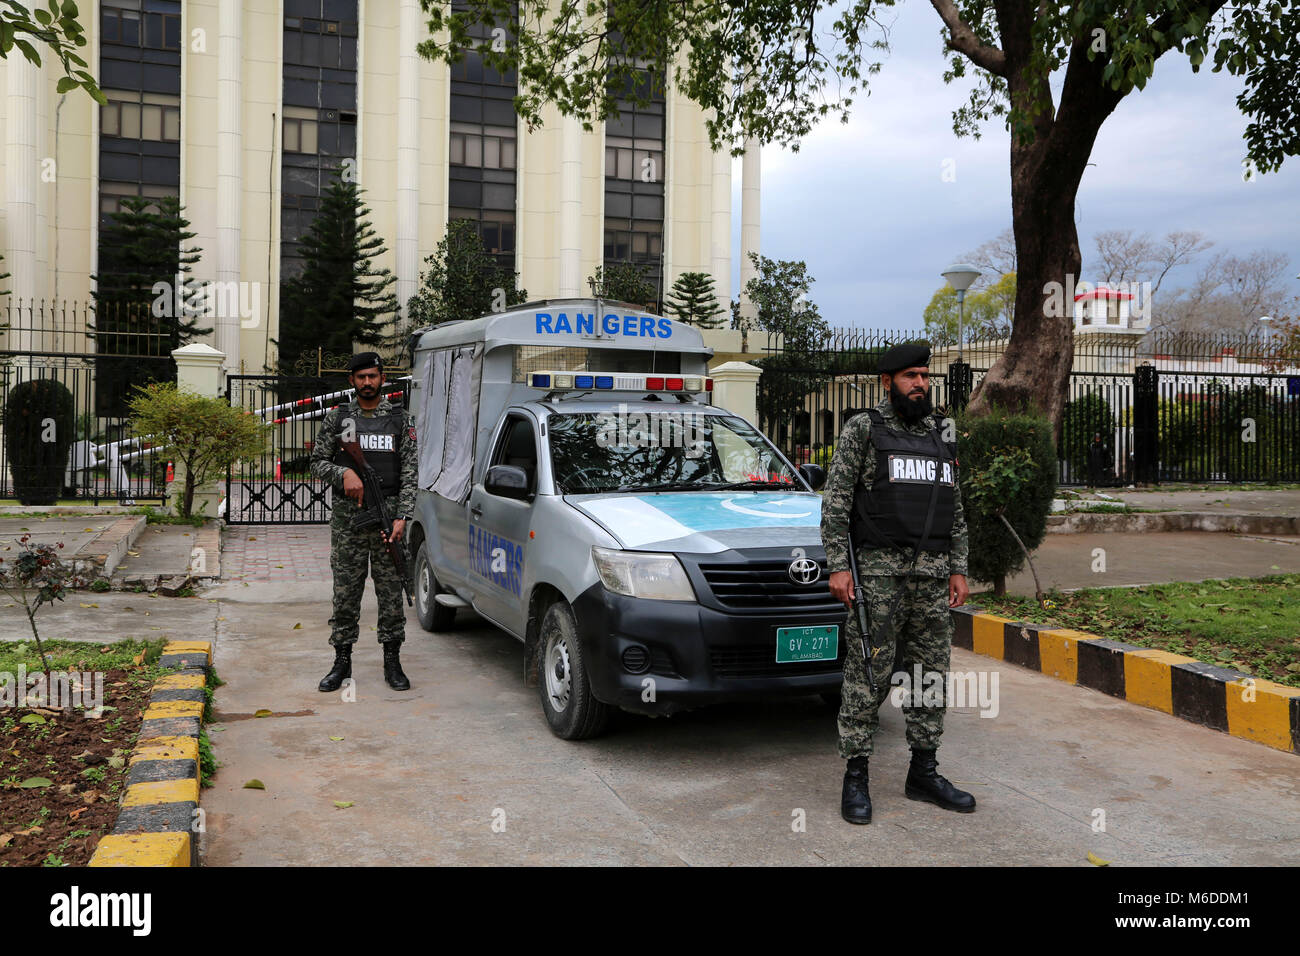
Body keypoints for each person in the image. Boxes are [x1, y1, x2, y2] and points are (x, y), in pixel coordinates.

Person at [820, 342, 975, 824]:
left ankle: (923, 772)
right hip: (879, 577)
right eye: (911, 376)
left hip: (931, 578)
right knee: (869, 674)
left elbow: (956, 506)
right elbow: (836, 502)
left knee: (930, 675)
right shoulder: (865, 430)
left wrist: (958, 566)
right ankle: (856, 776)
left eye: (925, 376)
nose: (921, 384)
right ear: (888, 381)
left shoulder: (940, 434)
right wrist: (838, 565)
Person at [310, 352, 418, 692]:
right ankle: (342, 662)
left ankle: (392, 662)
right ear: (352, 381)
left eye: (373, 376)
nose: (367, 382)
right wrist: (343, 473)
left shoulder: (400, 419)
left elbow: (411, 473)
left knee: (390, 594)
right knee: (345, 593)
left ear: (382, 378)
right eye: (361, 377)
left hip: (388, 519)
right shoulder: (339, 419)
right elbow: (316, 462)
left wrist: (402, 515)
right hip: (348, 522)